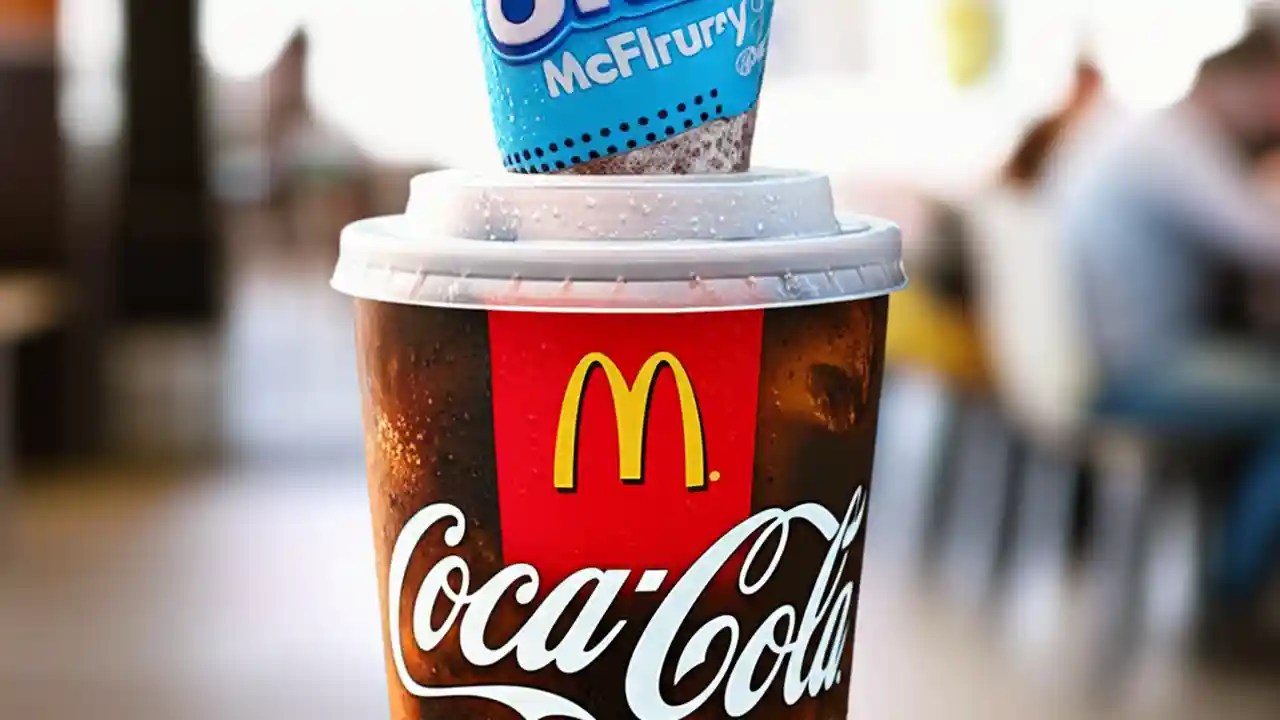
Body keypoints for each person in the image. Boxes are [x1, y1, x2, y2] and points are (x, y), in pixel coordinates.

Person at [1052, 25, 1280, 611]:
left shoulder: (1150, 131)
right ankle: (1232, 599)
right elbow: (1262, 237)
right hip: (1137, 369)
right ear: (1247, 87)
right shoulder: (1175, 142)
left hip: (1117, 353)